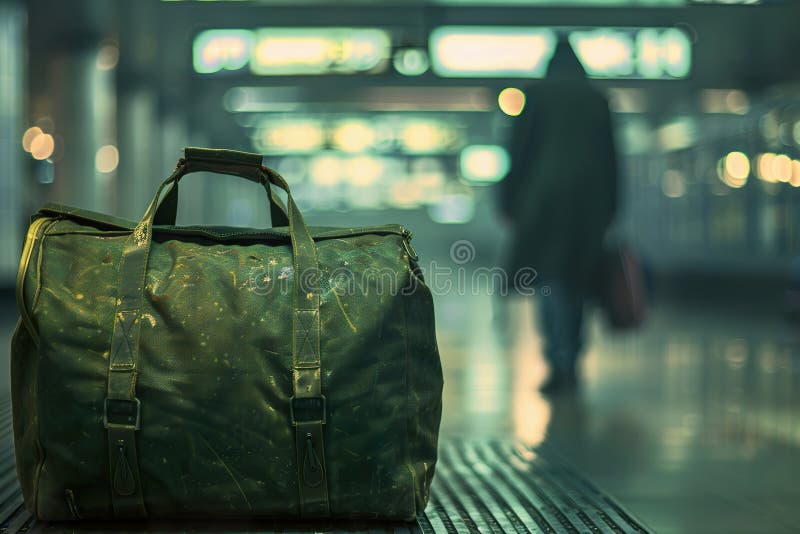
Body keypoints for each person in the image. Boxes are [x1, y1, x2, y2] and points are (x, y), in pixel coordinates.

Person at [499, 40, 619, 394]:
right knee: (579, 282)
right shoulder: (598, 100)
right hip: (589, 203)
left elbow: (518, 152)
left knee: (550, 280)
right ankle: (573, 358)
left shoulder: (535, 96)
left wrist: (508, 201)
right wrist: (612, 206)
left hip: (542, 202)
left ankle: (558, 359)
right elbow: (612, 158)